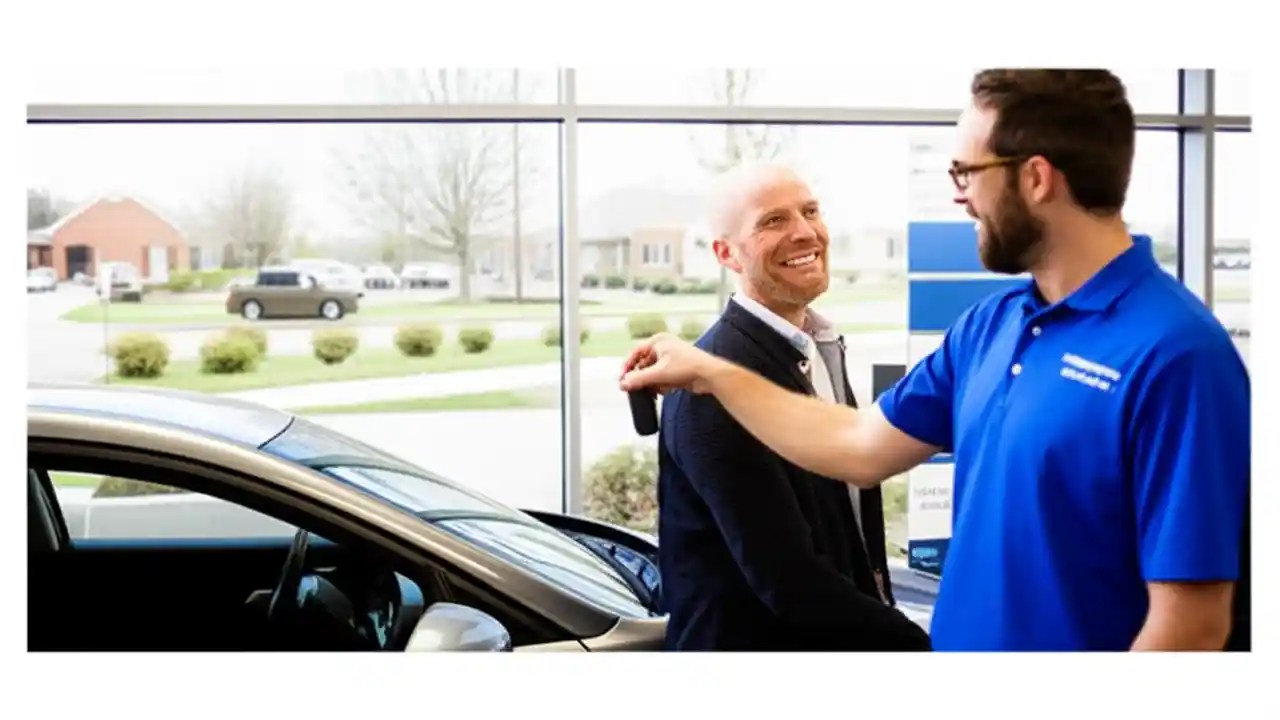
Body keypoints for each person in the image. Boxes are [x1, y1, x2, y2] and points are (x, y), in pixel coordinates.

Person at [622, 70, 1250, 652]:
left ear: (1036, 178)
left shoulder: (1178, 356)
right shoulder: (988, 327)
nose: (959, 197)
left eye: (965, 172)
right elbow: (859, 445)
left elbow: (1190, 628)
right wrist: (711, 373)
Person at [655, 163, 930, 651]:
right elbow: (791, 583)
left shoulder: (817, 347)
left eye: (810, 211)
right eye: (773, 220)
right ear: (726, 253)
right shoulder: (709, 385)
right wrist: (923, 646)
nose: (804, 232)